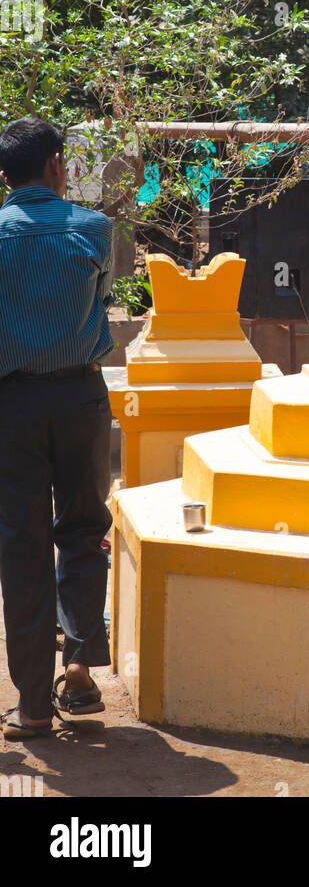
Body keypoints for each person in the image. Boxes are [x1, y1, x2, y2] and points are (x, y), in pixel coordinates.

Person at [0, 118, 115, 739]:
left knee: (21, 546)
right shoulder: (94, 230)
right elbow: (99, 298)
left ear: (3, 178)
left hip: (10, 407)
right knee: (83, 529)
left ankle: (34, 705)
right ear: (55, 167)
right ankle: (78, 665)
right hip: (80, 396)